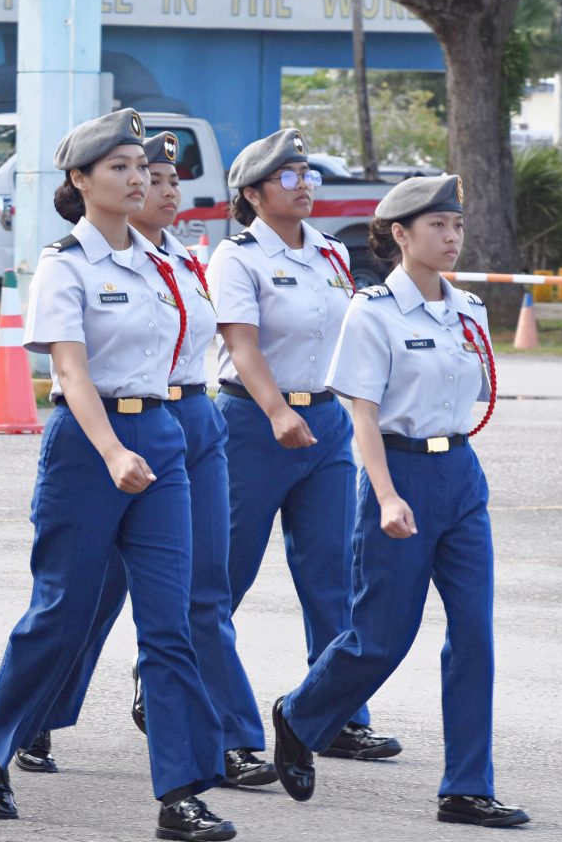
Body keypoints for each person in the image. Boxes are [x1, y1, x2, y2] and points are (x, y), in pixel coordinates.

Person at [0, 110, 234, 842]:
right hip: (88, 444)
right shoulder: (65, 265)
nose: (137, 177)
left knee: (170, 625)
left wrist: (155, 440)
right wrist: (113, 450)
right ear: (79, 181)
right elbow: (71, 373)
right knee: (62, 615)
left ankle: (182, 794)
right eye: (118, 168)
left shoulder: (164, 263)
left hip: (162, 439)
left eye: (141, 167)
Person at [17, 131, 276, 789]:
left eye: (167, 179)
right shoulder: (90, 263)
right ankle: (35, 714)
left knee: (204, 590)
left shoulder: (186, 262)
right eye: (146, 176)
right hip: (125, 422)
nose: (162, 190)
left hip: (194, 419)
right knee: (93, 593)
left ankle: (232, 736)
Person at [272, 174, 528, 829]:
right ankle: (300, 716)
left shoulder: (468, 309)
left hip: (461, 479)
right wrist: (385, 495)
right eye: (437, 226)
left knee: (475, 636)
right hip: (399, 478)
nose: (451, 237)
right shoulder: (374, 311)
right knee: (382, 639)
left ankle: (466, 786)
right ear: (399, 235)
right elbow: (363, 415)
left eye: (457, 226)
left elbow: (468, 397)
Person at [207, 128, 401, 763]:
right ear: (254, 193)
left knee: (331, 576)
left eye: (308, 174)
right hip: (251, 426)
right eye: (289, 177)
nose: (305, 186)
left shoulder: (331, 254)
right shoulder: (238, 258)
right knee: (224, 575)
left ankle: (333, 714)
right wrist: (275, 411)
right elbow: (242, 346)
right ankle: (185, 693)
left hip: (325, 427)